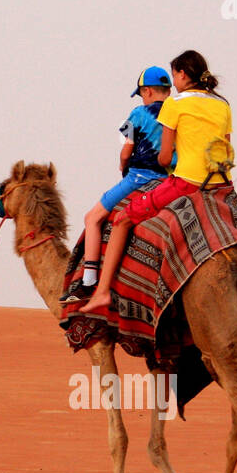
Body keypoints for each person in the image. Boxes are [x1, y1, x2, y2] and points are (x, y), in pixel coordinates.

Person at [78, 51, 231, 314]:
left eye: (176, 75)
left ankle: (100, 289)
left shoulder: (167, 107)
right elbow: (224, 147)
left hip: (183, 181)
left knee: (121, 218)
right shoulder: (223, 105)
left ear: (182, 75)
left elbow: (161, 157)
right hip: (222, 185)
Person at [71, 66, 177, 303]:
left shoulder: (137, 114)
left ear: (147, 91)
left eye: (141, 94)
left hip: (138, 177)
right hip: (170, 180)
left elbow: (125, 151)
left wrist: (123, 165)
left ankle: (88, 281)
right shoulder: (178, 113)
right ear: (168, 91)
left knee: (92, 218)